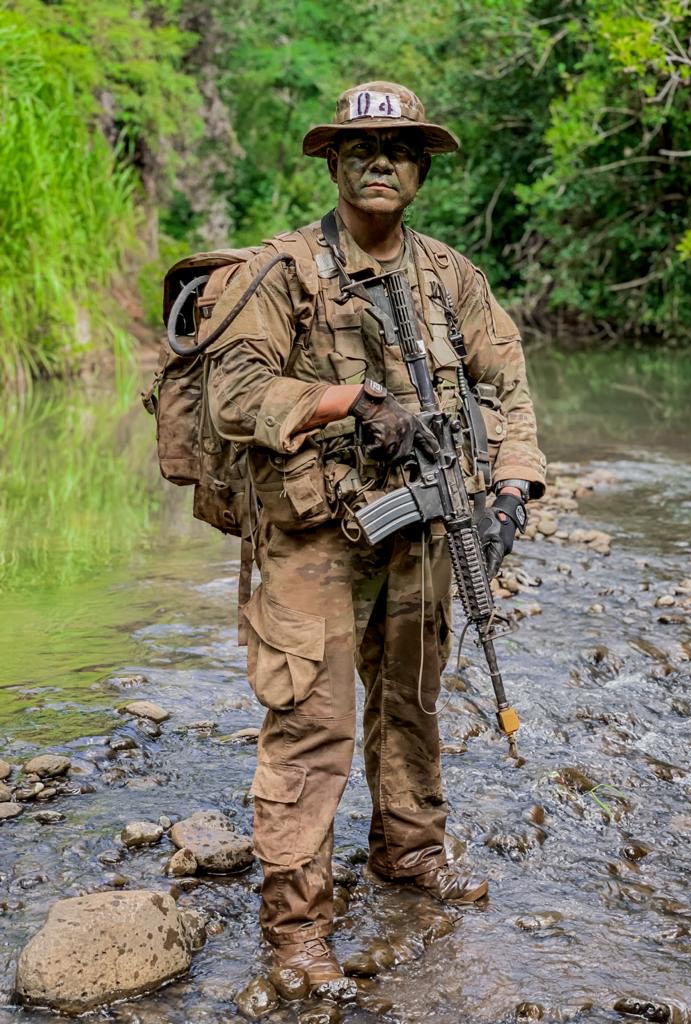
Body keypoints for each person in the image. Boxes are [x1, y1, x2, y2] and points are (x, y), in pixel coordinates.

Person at [205, 81, 546, 987]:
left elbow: (507, 385)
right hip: (313, 535)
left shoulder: (450, 278)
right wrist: (348, 399)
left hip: (424, 531)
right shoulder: (279, 273)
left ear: (423, 170)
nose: (383, 162)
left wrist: (511, 490)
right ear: (333, 162)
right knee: (312, 725)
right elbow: (232, 396)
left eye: (401, 150)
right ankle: (297, 931)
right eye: (364, 149)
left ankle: (408, 851)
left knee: (412, 704)